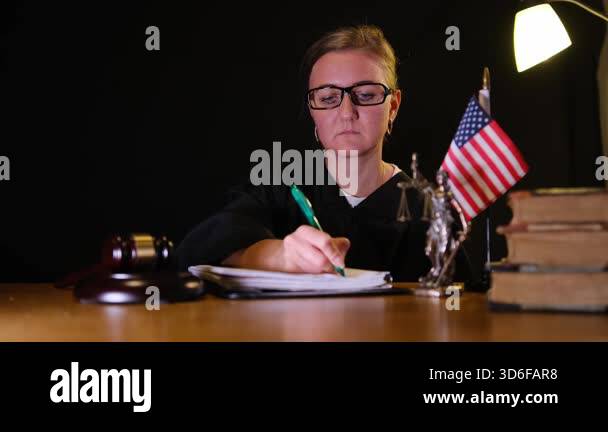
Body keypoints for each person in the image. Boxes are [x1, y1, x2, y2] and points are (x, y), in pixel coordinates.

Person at [177, 25, 472, 284]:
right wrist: (277, 255)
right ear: (312, 111)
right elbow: (200, 246)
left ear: (392, 106)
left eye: (366, 95)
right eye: (329, 98)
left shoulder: (428, 209)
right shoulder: (281, 190)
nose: (346, 112)